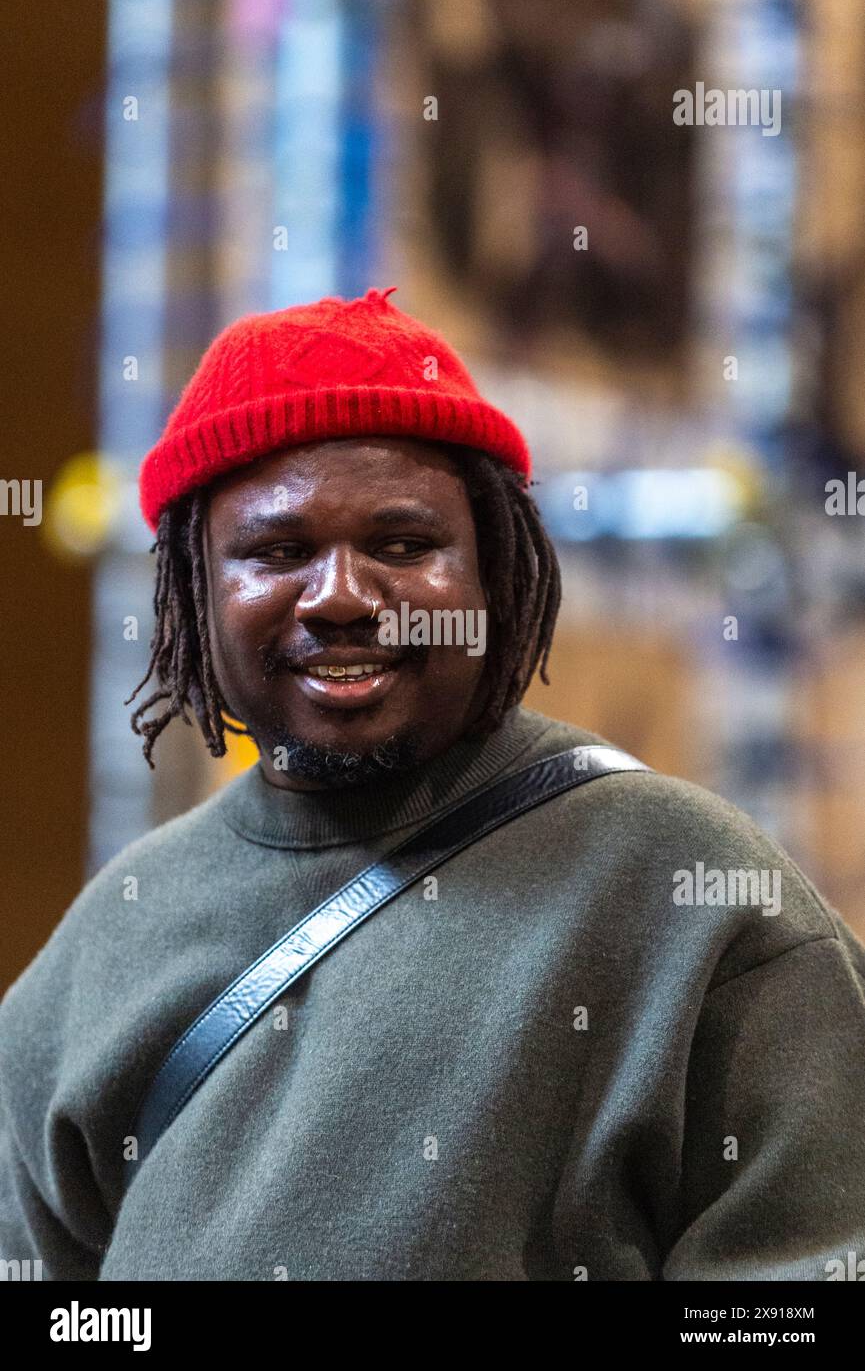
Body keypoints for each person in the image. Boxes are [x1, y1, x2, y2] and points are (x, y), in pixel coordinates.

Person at [1, 286, 863, 1282]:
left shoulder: (694, 896)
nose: (340, 597)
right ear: (197, 587)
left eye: (403, 545)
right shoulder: (107, 941)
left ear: (492, 570)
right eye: (278, 551)